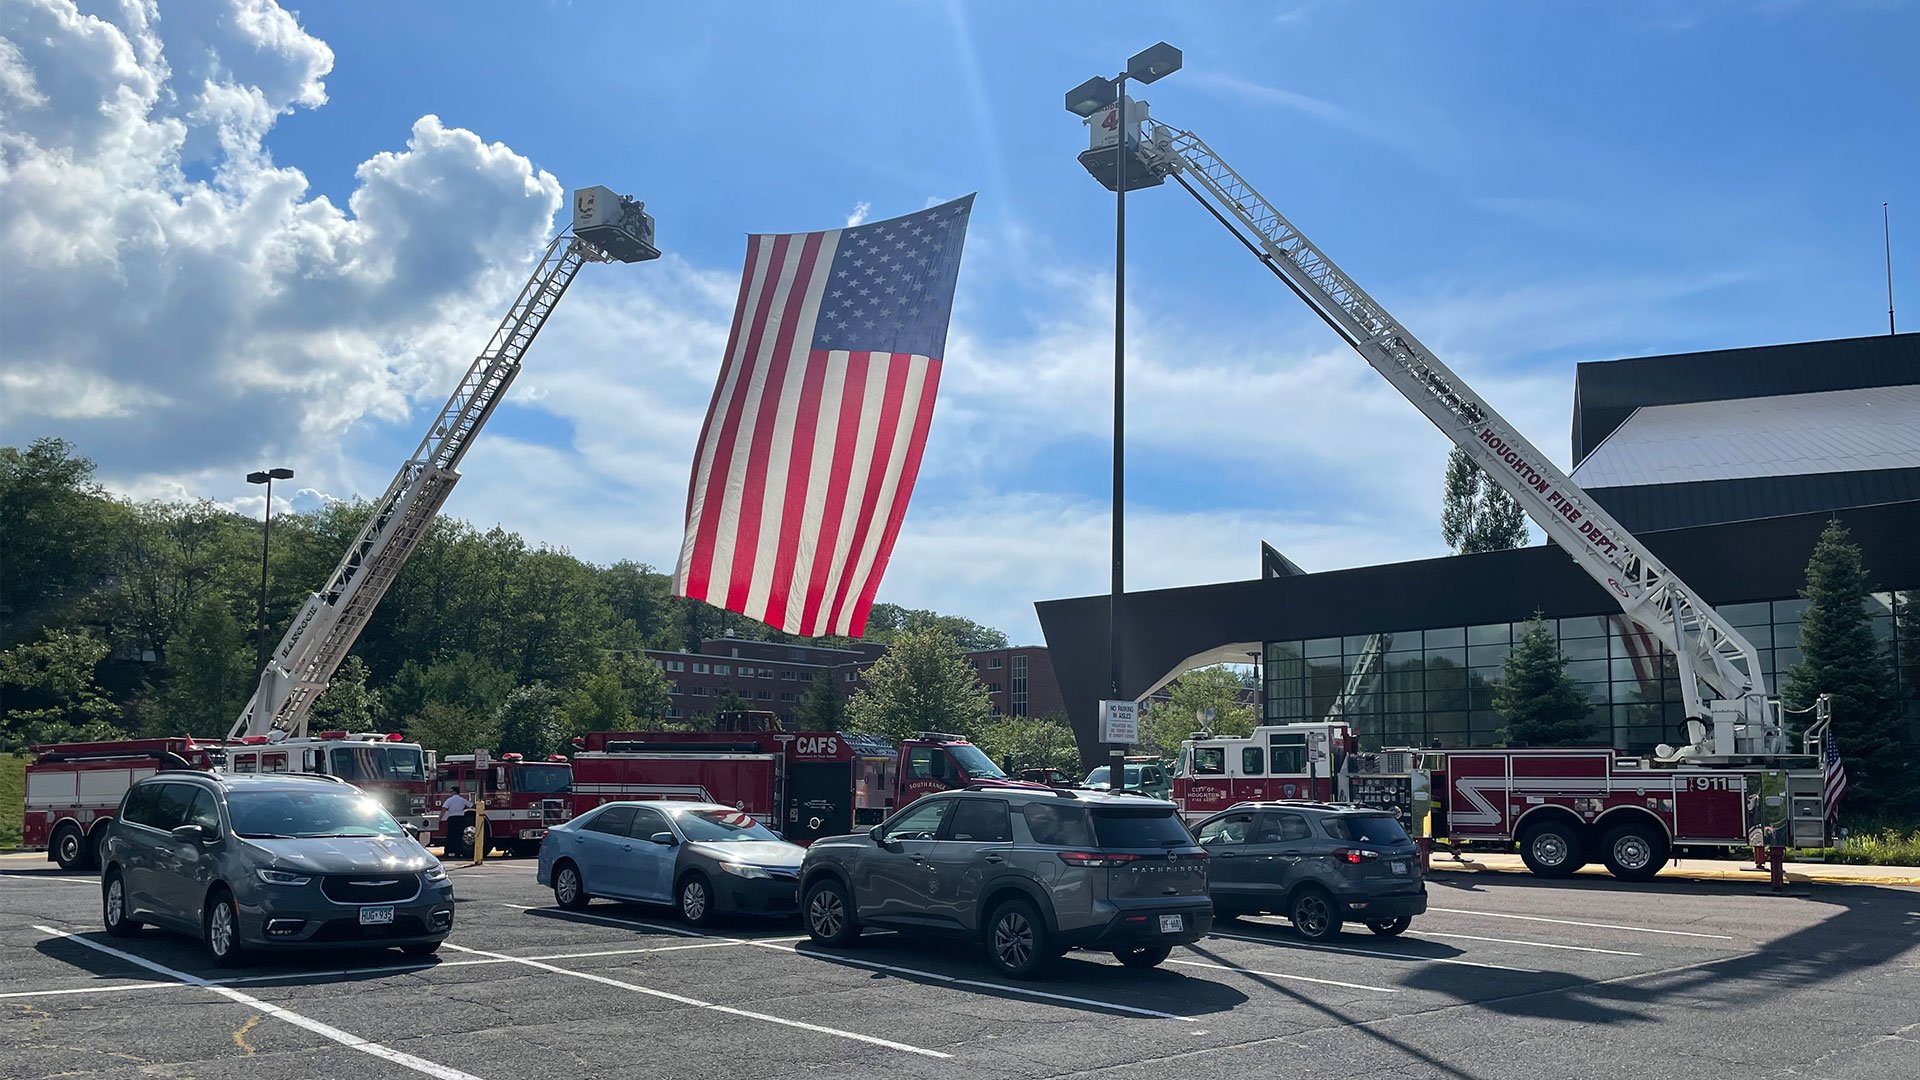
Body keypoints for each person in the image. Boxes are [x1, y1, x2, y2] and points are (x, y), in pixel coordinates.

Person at [440, 788, 471, 858]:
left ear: (454, 792)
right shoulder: (462, 800)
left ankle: (447, 852)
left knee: (450, 836)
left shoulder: (449, 800)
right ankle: (458, 853)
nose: (450, 793)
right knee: (459, 836)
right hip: (460, 819)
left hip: (452, 819)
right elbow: (471, 805)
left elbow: (444, 809)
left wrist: (440, 818)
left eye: (451, 792)